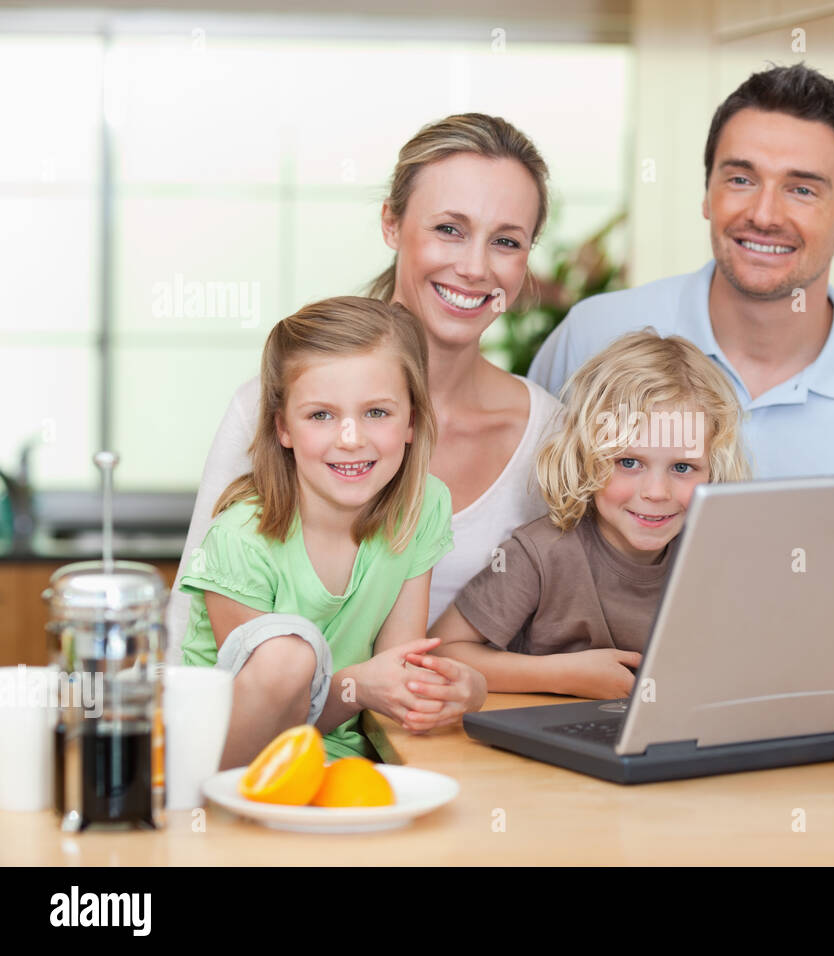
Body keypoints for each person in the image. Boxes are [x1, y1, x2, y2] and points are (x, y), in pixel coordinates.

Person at [528, 64, 834, 745]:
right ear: (707, 192)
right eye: (740, 178)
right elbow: (515, 550)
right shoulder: (595, 337)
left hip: (819, 754)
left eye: (802, 189)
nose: (763, 213)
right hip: (600, 731)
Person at [168, 114, 563, 663]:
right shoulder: (269, 406)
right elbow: (189, 634)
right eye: (449, 229)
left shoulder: (551, 435)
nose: (474, 267)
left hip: (456, 740)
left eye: (506, 241)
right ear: (392, 225)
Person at [179, 297, 486, 769]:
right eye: (321, 415)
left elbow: (398, 670)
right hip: (227, 767)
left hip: (351, 760)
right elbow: (270, 733)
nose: (350, 438)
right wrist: (358, 687)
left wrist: (469, 688)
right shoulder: (240, 539)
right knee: (288, 655)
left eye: (377, 413)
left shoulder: (422, 507)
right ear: (283, 428)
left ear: (411, 421)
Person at [419, 331, 750, 699]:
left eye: (683, 468)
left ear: (713, 470)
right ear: (586, 457)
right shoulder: (540, 555)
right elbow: (444, 652)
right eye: (628, 462)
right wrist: (562, 675)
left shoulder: (712, 561)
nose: (657, 492)